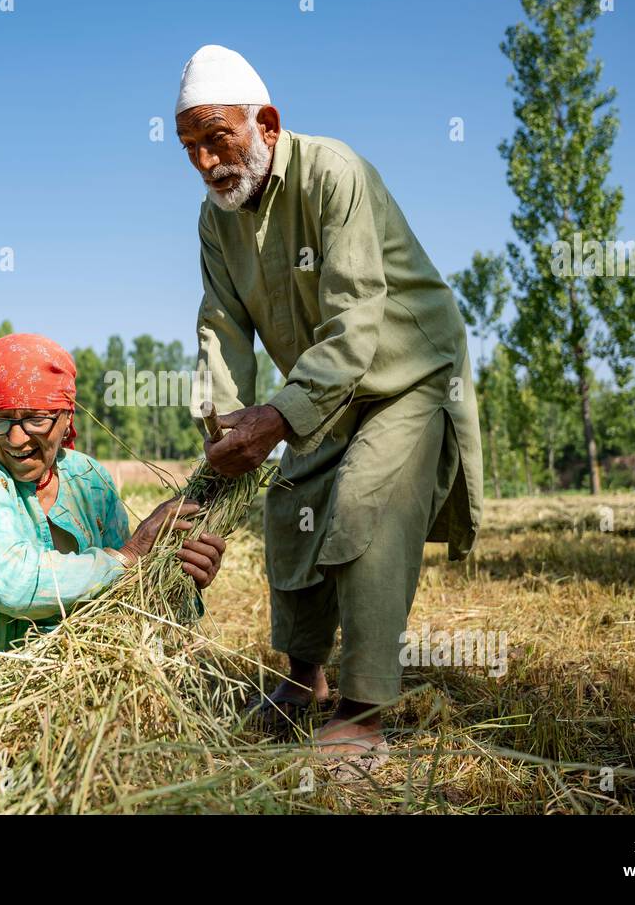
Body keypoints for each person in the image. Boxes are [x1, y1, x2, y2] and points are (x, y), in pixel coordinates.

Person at [173, 45, 484, 773]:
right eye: (190, 148)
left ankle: (364, 709)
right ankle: (301, 677)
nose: (206, 161)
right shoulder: (215, 221)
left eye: (217, 137)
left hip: (403, 371)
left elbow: (357, 321)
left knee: (364, 504)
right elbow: (221, 323)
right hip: (320, 391)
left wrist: (275, 419)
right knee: (292, 503)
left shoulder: (332, 174)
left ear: (267, 124)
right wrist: (224, 423)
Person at [0, 333, 226, 681]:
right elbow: (8, 583)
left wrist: (176, 576)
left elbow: (123, 593)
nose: (16, 439)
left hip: (40, 671)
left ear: (67, 417)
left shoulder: (89, 479)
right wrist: (126, 556)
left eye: (35, 418)